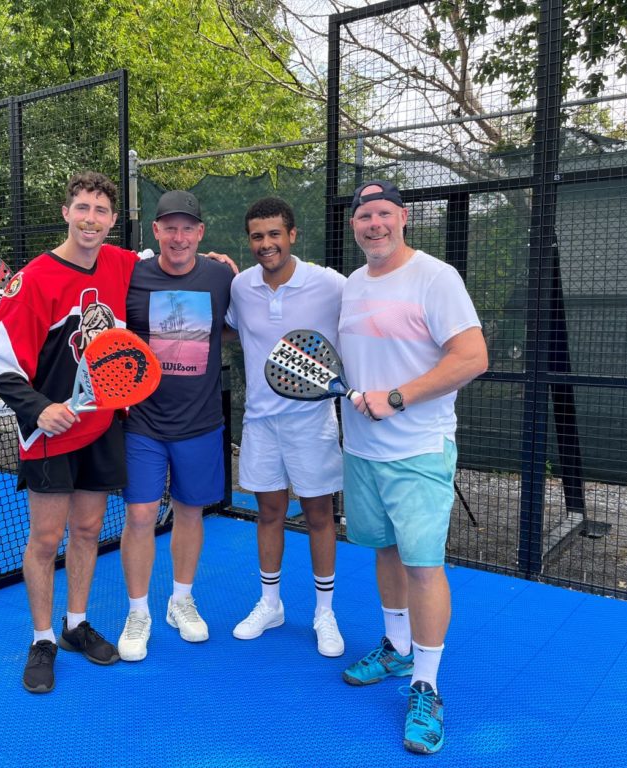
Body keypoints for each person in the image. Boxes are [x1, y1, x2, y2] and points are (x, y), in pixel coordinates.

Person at [337, 179, 488, 754]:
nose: (373, 224)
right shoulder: (352, 284)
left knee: (424, 566)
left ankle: (426, 685)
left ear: (403, 218)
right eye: (364, 216)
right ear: (354, 225)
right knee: (384, 550)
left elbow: (472, 357)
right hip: (362, 451)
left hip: (419, 450)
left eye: (383, 213)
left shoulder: (436, 277)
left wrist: (397, 398)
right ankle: (397, 648)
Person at [0, 171, 134, 693]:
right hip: (49, 433)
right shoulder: (34, 280)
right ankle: (43, 639)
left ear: (113, 220)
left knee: (89, 531)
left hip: (102, 426)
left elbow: (169, 262)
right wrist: (40, 408)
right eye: (82, 208)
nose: (91, 219)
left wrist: (216, 263)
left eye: (101, 210)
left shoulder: (120, 264)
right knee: (46, 540)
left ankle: (75, 626)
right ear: (67, 213)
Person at [224, 196, 347, 657]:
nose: (266, 243)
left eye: (274, 234)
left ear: (292, 235)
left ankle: (324, 613)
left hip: (312, 423)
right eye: (257, 236)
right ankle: (270, 605)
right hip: (260, 423)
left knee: (319, 517)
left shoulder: (329, 284)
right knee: (269, 513)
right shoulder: (241, 286)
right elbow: (233, 329)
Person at [116, 190, 234, 662]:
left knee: (189, 512)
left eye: (188, 228)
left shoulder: (222, 276)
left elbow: (236, 323)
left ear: (200, 233)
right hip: (143, 422)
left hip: (201, 423)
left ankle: (180, 601)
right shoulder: (133, 276)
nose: (179, 237)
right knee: (141, 515)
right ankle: (137, 612)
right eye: (170, 227)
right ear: (156, 231)